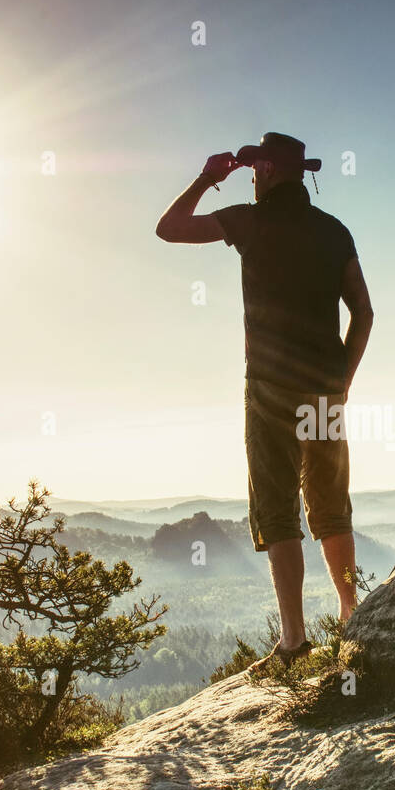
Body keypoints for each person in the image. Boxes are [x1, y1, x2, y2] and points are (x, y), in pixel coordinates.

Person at [156, 132, 374, 669]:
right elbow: (364, 313)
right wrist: (341, 381)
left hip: (272, 387)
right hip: (324, 387)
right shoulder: (334, 232)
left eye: (255, 170)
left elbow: (169, 229)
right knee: (331, 506)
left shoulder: (249, 222)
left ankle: (295, 641)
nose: (251, 178)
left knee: (278, 511)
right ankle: (353, 620)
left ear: (270, 172)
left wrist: (208, 178)